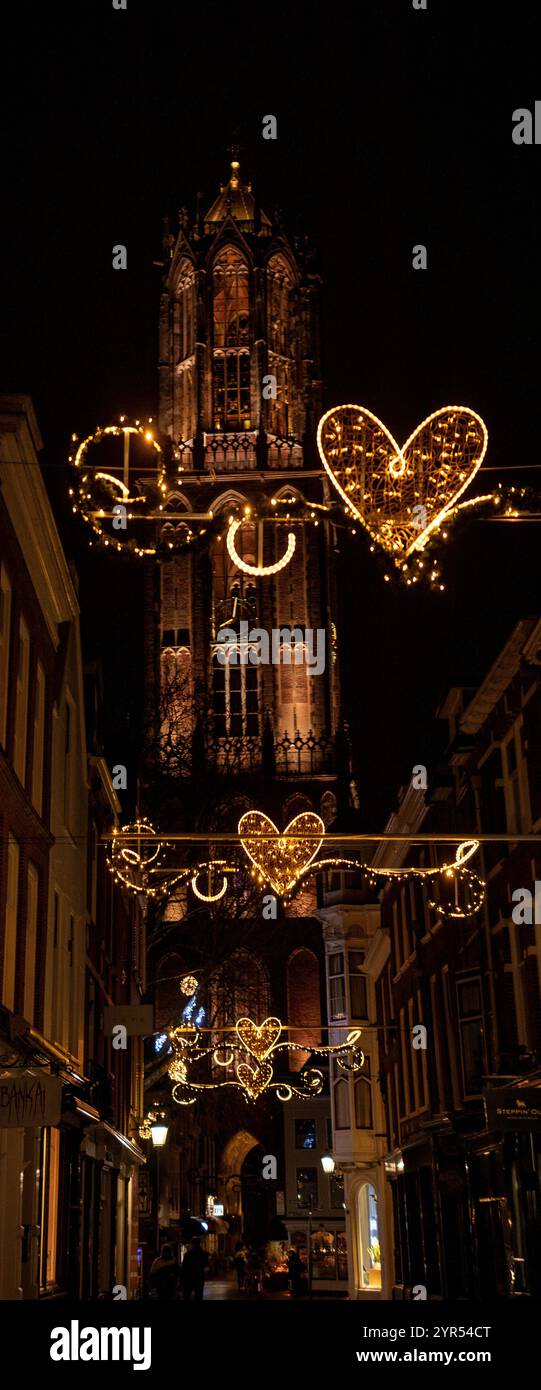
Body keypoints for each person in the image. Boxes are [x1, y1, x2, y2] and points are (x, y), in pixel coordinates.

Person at [181, 1236, 208, 1300]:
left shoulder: (188, 1254)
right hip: (199, 1277)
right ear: (199, 1243)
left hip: (188, 1277)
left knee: (187, 1295)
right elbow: (205, 1264)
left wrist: (182, 1277)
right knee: (198, 1295)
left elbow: (184, 1266)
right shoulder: (203, 1254)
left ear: (192, 1244)